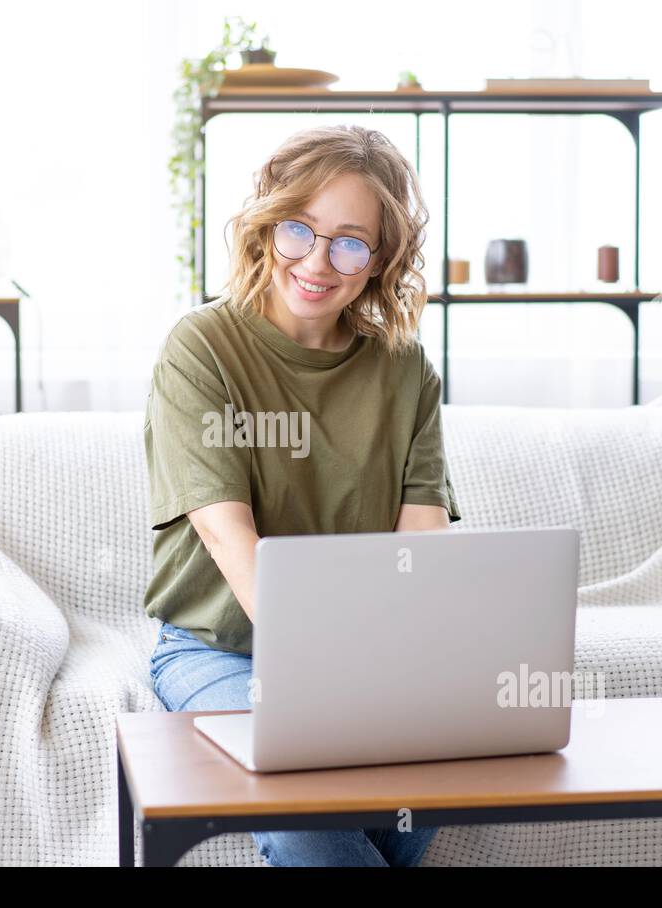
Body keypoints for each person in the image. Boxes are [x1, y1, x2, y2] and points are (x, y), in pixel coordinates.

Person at [142, 124, 461, 866]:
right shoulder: (203, 348)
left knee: (437, 786)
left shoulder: (404, 369)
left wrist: (413, 675)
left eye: (351, 242)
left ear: (381, 258)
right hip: (216, 651)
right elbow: (229, 539)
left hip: (365, 656)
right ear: (266, 226)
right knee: (306, 817)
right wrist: (331, 684)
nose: (318, 262)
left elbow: (421, 541)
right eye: (299, 230)